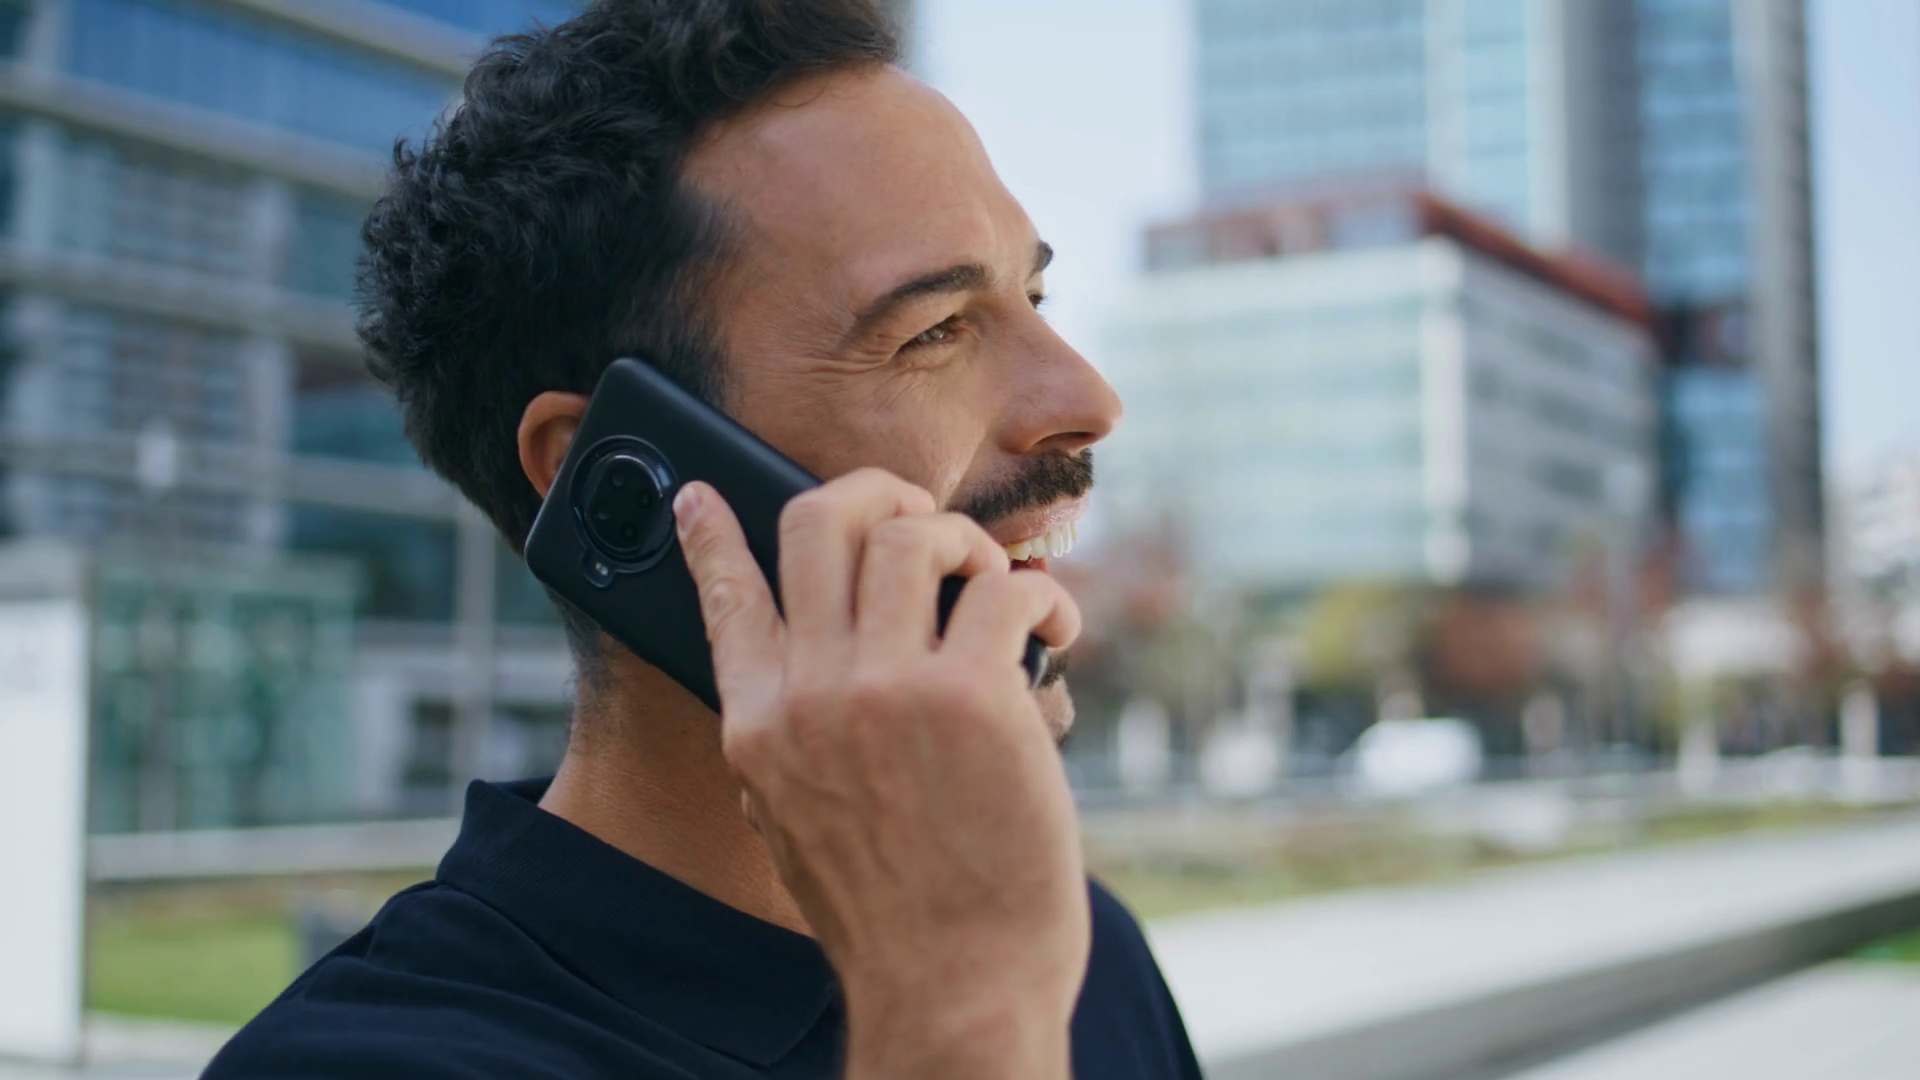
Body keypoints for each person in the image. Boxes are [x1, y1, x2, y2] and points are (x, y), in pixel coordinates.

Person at [204, 1, 1202, 1077]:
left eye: (1035, 295)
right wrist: (955, 1020)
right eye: (935, 331)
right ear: (611, 476)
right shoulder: (356, 1066)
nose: (1087, 397)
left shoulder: (1073, 949)